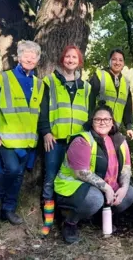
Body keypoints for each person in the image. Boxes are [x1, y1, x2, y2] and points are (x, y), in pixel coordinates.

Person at [54, 102, 133, 244]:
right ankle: (70, 223)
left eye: (106, 119)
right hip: (71, 189)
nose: (102, 122)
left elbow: (126, 168)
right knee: (94, 198)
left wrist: (123, 188)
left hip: (101, 188)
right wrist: (107, 188)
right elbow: (81, 172)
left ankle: (100, 218)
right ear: (92, 122)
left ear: (112, 122)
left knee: (129, 194)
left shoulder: (120, 141)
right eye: (98, 119)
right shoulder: (82, 140)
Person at [0, 41, 45, 225]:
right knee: (11, 169)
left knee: (19, 175)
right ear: (19, 57)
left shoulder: (39, 84)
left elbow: (39, 113)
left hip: (28, 140)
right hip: (6, 138)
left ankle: (9, 209)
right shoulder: (4, 78)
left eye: (33, 56)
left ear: (38, 59)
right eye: (26, 55)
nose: (29, 58)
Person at [38, 45, 91, 236]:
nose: (70, 60)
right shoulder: (50, 82)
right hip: (55, 140)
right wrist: (45, 131)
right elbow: (42, 108)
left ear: (79, 61)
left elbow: (89, 116)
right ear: (62, 59)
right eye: (67, 56)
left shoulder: (86, 87)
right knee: (50, 178)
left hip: (76, 143)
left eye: (74, 57)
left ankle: (67, 217)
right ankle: (48, 220)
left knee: (74, 178)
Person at [88, 48, 133, 140]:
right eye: (114, 59)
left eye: (120, 60)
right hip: (98, 128)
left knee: (113, 154)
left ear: (124, 63)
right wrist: (89, 123)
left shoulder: (126, 82)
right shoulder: (99, 76)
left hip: (115, 129)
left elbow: (128, 107)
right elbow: (89, 101)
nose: (117, 62)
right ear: (109, 61)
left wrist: (129, 127)